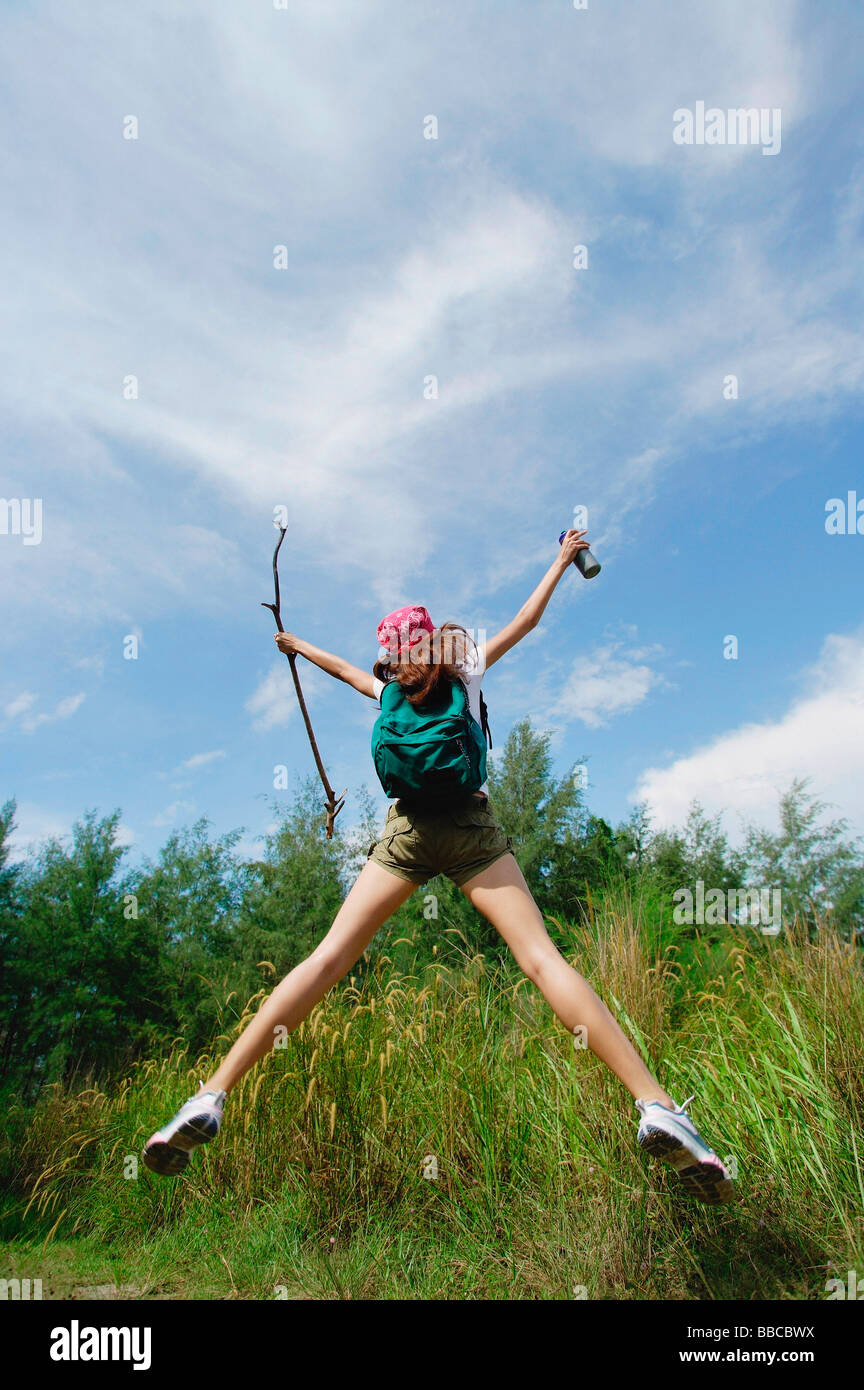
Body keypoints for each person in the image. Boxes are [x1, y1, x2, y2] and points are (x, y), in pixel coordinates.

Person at [143, 529, 735, 1205]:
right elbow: (528, 619)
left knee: (328, 959)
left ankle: (213, 1093)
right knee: (542, 961)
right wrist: (562, 559)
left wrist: (296, 645)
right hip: (472, 831)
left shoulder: (388, 685)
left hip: (407, 832)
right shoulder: (466, 666)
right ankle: (656, 1106)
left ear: (391, 652)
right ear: (428, 640)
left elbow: (342, 670)